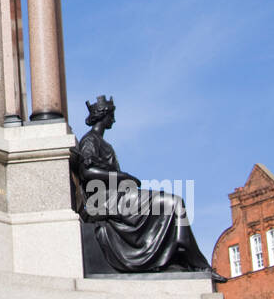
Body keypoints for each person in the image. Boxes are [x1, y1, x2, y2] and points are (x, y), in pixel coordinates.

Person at [72, 96, 222, 277]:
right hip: (106, 200)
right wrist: (123, 176)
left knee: (170, 205)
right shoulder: (90, 141)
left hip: (118, 195)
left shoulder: (104, 144)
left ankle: (181, 258)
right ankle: (195, 262)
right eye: (112, 115)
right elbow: (87, 171)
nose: (114, 120)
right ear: (103, 115)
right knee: (173, 204)